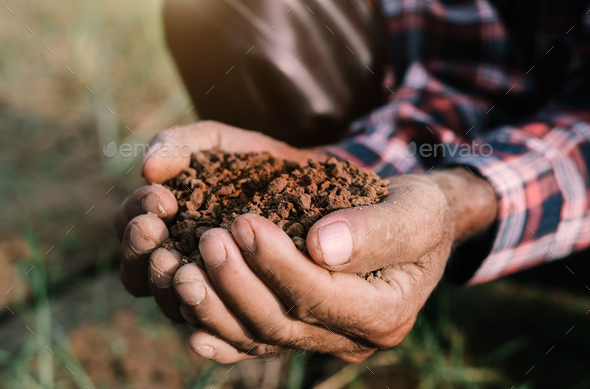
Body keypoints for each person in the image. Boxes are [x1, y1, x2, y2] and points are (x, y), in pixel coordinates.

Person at [115, 0, 590, 363]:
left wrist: (463, 197)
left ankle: (408, 258)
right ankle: (345, 284)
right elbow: (453, 75)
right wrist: (342, 172)